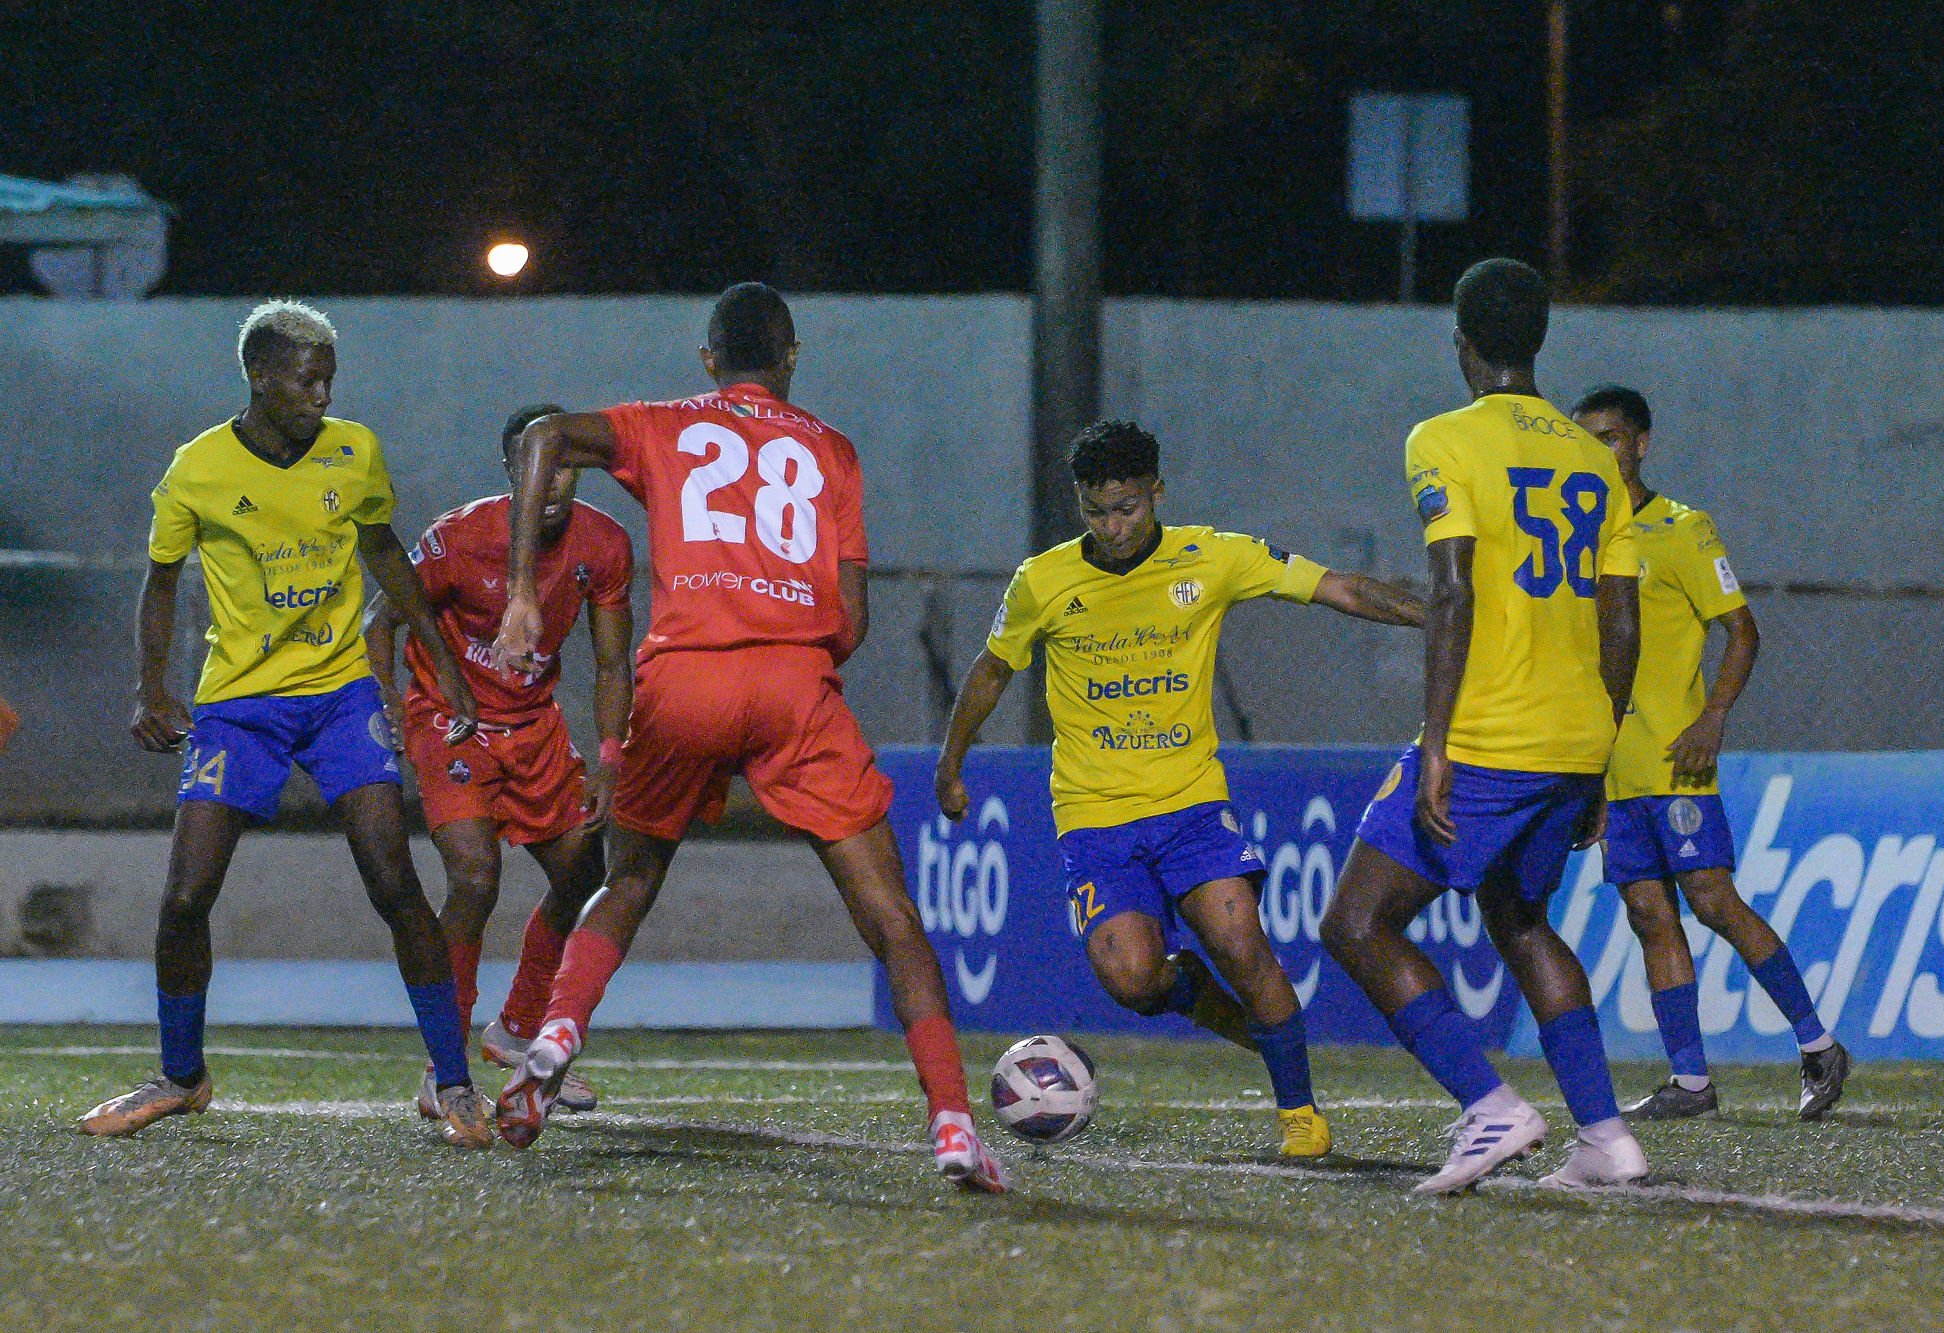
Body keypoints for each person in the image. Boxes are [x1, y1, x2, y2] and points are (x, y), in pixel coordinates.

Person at [486, 282, 1008, 1192]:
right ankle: (956, 1125)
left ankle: (555, 1038)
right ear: (793, 356)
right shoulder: (834, 450)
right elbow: (853, 616)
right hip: (792, 685)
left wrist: (525, 589)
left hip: (685, 678)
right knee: (892, 918)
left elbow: (542, 437)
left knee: (631, 878)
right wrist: (795, 647)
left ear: (707, 360)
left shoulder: (659, 423)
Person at [934, 419, 1425, 1158]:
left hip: (1192, 804)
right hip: (1095, 818)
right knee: (1131, 979)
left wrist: (1443, 616)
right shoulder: (1044, 580)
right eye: (1097, 510)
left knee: (1242, 942)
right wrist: (951, 764)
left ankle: (1300, 1114)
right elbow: (992, 669)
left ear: (1156, 490)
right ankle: (1194, 994)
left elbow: (1339, 586)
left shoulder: (1214, 556)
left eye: (1128, 506)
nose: (1114, 525)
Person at [80, 300, 493, 1147]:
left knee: (393, 881)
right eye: (307, 377)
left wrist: (444, 661)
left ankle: (452, 1083)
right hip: (240, 704)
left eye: (329, 376)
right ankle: (181, 1076)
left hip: (341, 695)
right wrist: (149, 688)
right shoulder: (197, 467)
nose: (322, 391)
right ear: (260, 377)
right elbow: (161, 580)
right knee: (186, 895)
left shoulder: (354, 449)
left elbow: (383, 549)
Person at [1319, 258, 1650, 1194]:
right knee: (1518, 913)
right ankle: (1606, 1135)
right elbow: (1620, 616)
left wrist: (1435, 743)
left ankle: (1489, 1106)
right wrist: (1599, 750)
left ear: (1459, 341)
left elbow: (1453, 589)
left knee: (1355, 921)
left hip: (1488, 735)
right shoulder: (1594, 457)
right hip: (1577, 734)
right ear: (1538, 340)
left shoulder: (1444, 439)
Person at [1571, 384, 1849, 1122]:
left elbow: (1744, 631)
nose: (1599, 451)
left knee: (1712, 900)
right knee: (1646, 912)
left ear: (1640, 443)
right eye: (1585, 439)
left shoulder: (1682, 529)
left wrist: (1714, 715)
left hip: (1675, 756)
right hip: (1614, 767)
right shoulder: (1579, 539)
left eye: (1609, 437)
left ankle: (1818, 1043)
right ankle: (1690, 1081)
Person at [363, 402, 635, 1120]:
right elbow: (380, 621)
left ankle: (517, 1029)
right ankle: (442, 1063)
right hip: (451, 720)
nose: (551, 482)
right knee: (476, 875)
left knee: (585, 871)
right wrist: (389, 700)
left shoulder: (603, 545)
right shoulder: (460, 536)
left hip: (535, 726)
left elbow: (613, 665)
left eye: (566, 466)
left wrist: (609, 755)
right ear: (511, 471)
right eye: (534, 467)